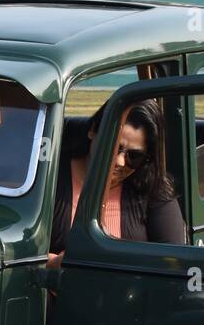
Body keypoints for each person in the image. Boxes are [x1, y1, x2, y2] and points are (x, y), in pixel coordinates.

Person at [48, 96, 185, 267]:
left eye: (133, 156)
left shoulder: (153, 190)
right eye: (113, 148)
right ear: (92, 130)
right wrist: (54, 264)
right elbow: (20, 255)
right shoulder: (50, 179)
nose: (120, 161)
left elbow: (174, 262)